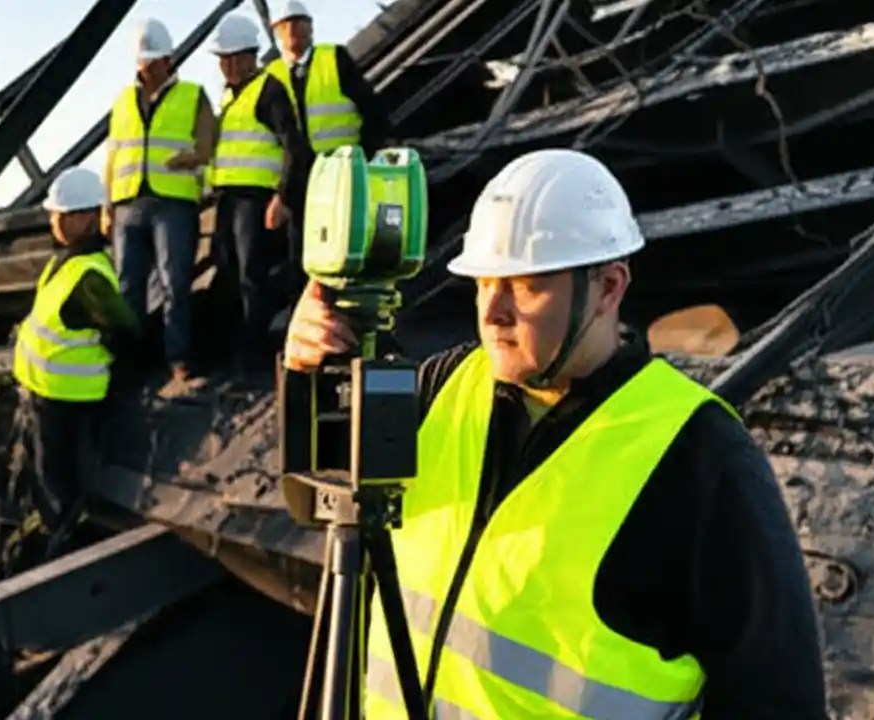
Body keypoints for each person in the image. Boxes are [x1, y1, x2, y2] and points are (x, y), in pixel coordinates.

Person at [282, 149, 828, 717]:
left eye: (526, 286)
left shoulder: (697, 455)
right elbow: (312, 501)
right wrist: (308, 374)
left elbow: (780, 703)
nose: (493, 311)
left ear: (609, 287)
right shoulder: (445, 386)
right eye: (484, 282)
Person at [12, 166, 140, 552]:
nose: (53, 221)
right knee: (44, 472)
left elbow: (127, 333)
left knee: (58, 479)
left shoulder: (89, 276)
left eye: (59, 215)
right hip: (43, 391)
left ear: (83, 218)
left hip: (66, 396)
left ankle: (62, 538)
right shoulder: (64, 263)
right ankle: (53, 524)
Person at [103, 17, 216, 393]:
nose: (147, 68)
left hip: (173, 202)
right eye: (143, 62)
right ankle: (129, 361)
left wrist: (189, 159)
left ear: (168, 60)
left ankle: (178, 357)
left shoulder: (193, 96)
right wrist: (107, 205)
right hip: (128, 204)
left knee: (174, 281)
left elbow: (207, 146)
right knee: (127, 286)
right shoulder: (123, 100)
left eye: (154, 62)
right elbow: (113, 155)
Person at [206, 12, 313, 375]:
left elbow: (294, 147)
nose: (226, 67)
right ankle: (231, 349)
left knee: (253, 276)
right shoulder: (230, 96)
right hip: (229, 198)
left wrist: (283, 196)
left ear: (249, 57)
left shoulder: (268, 91)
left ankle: (254, 356)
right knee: (228, 271)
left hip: (255, 200)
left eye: (231, 59)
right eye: (222, 60)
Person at [264, 0, 391, 301]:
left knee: (347, 249)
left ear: (311, 27)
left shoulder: (334, 59)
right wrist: (284, 192)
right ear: (276, 32)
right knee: (305, 259)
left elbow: (373, 112)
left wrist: (364, 159)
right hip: (303, 182)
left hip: (343, 175)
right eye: (286, 25)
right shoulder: (272, 77)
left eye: (300, 23)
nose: (294, 30)